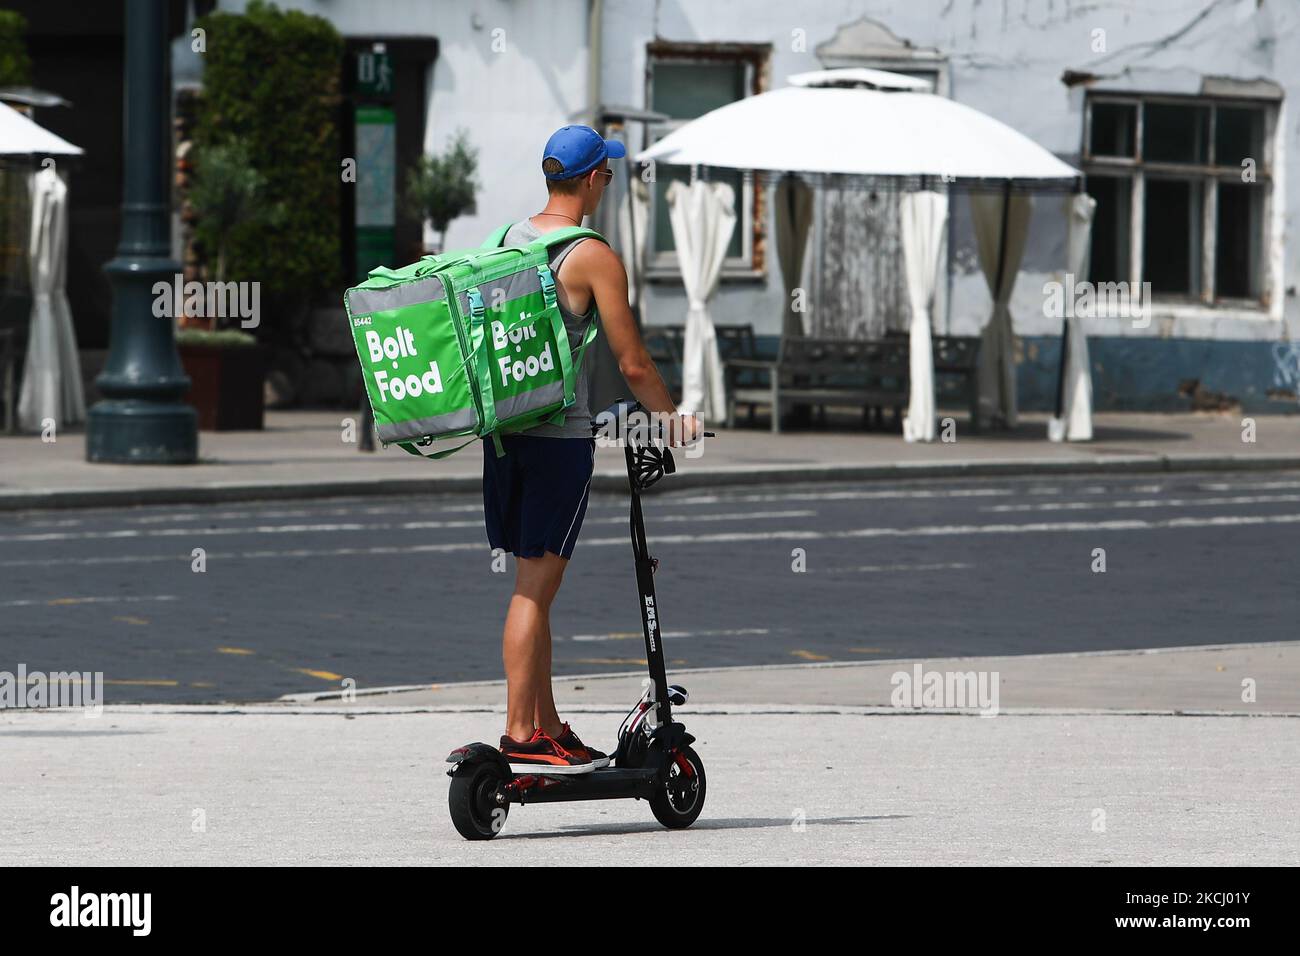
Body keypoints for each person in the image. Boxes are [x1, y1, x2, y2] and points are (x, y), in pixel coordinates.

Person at [484, 125, 698, 774]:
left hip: (506, 435)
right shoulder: (592, 254)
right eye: (607, 174)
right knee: (533, 591)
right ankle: (521, 730)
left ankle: (548, 724)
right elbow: (632, 363)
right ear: (594, 179)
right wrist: (672, 421)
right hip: (559, 441)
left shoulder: (509, 241)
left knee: (532, 585)